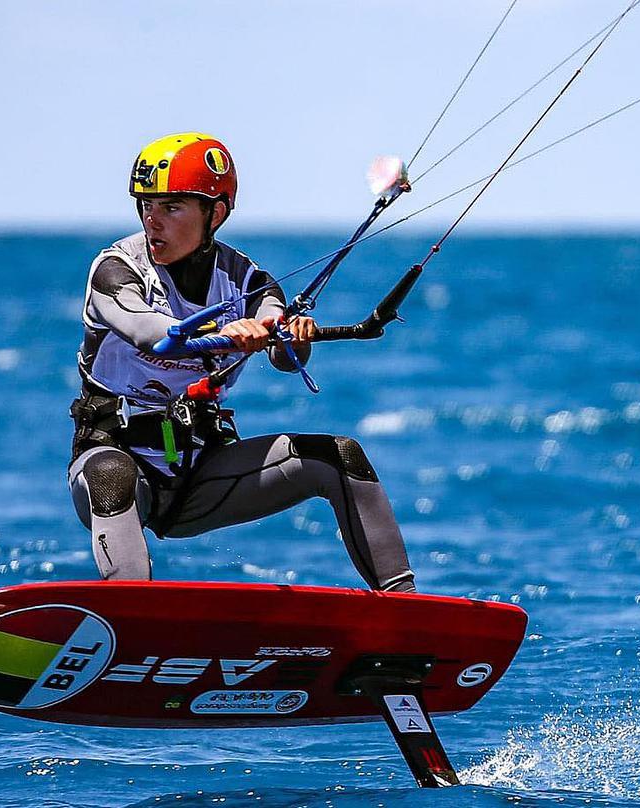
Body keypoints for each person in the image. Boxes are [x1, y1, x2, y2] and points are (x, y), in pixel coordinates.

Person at [68, 132, 416, 593]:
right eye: (146, 205)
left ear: (216, 212)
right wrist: (224, 335)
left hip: (199, 471)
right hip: (118, 465)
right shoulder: (116, 270)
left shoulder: (248, 280)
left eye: (172, 208)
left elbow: (282, 352)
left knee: (339, 457)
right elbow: (152, 336)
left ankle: (404, 613)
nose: (154, 221)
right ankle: (133, 621)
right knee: (111, 475)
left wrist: (292, 335)